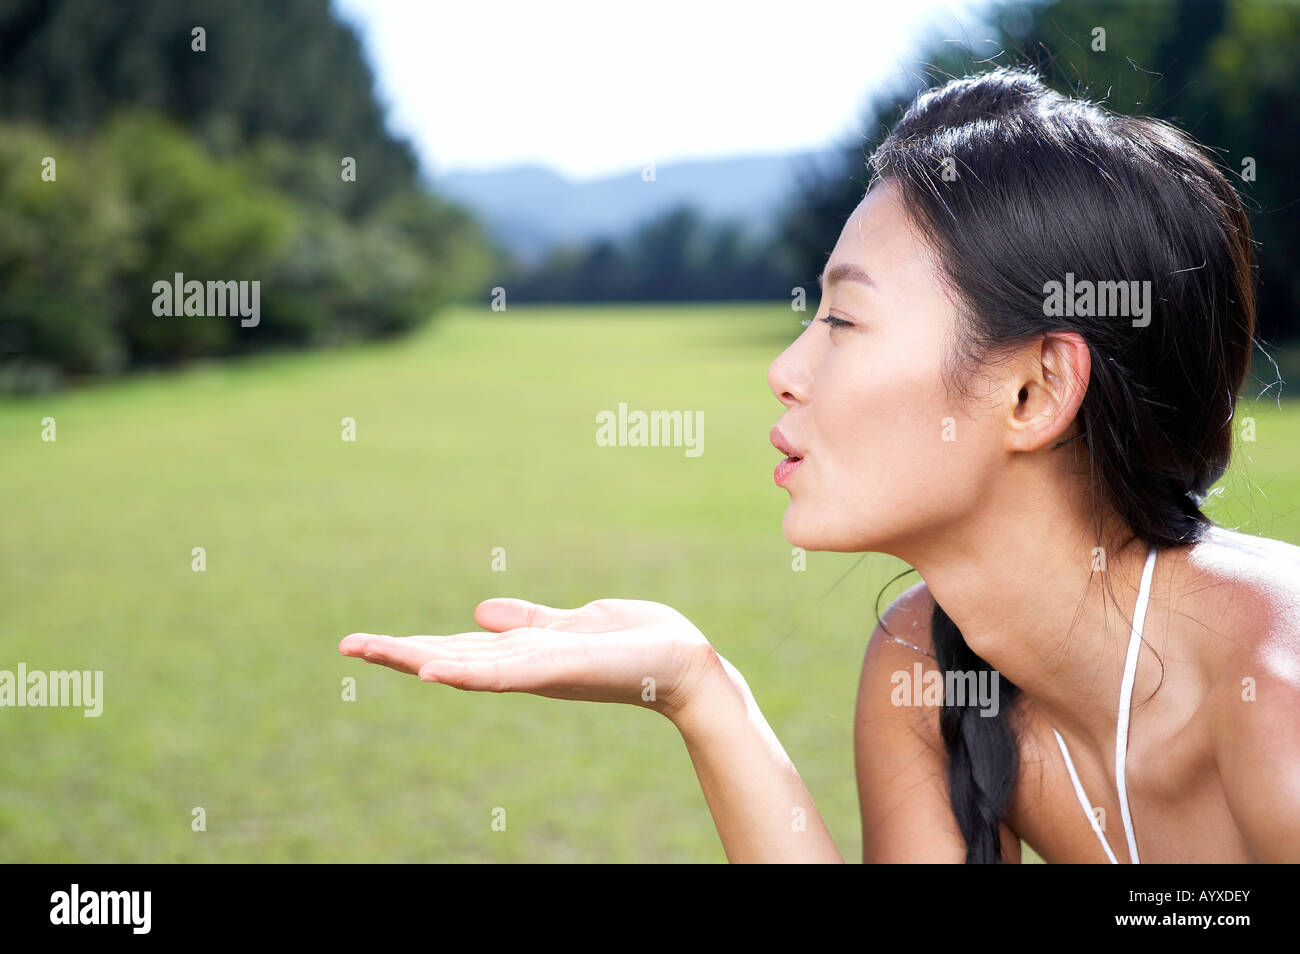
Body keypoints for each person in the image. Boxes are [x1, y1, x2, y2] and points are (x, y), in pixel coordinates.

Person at [339, 67, 1300, 863]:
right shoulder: (927, 668)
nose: (786, 370)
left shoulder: (1278, 697)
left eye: (842, 319)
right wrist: (700, 690)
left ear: (1034, 390)